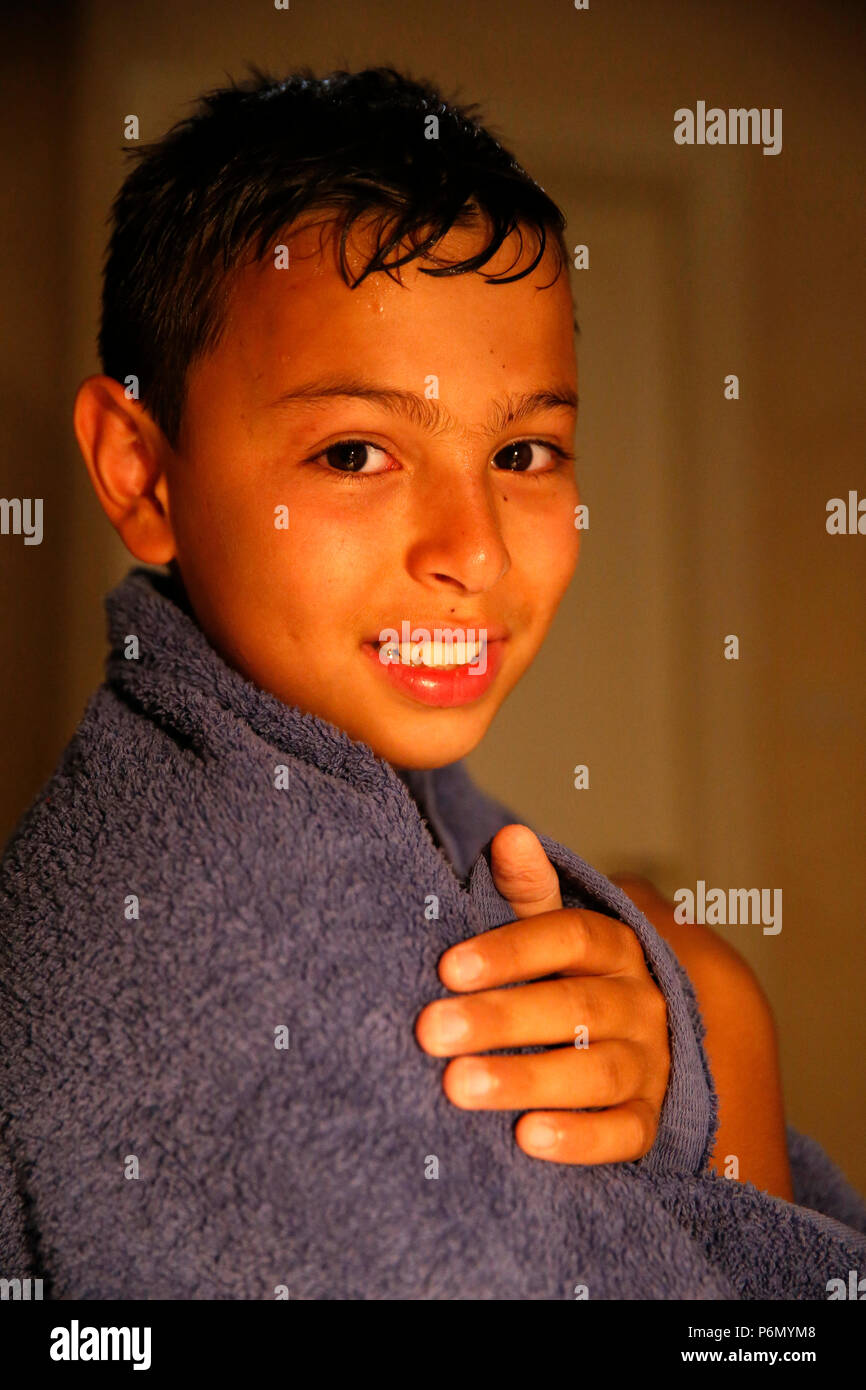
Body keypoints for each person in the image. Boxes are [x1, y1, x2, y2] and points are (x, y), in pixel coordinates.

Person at [0, 66, 862, 1300]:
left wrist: (670, 1053)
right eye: (354, 452)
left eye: (521, 452)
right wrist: (722, 1025)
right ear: (142, 472)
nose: (471, 547)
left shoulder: (357, 804)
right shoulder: (257, 968)